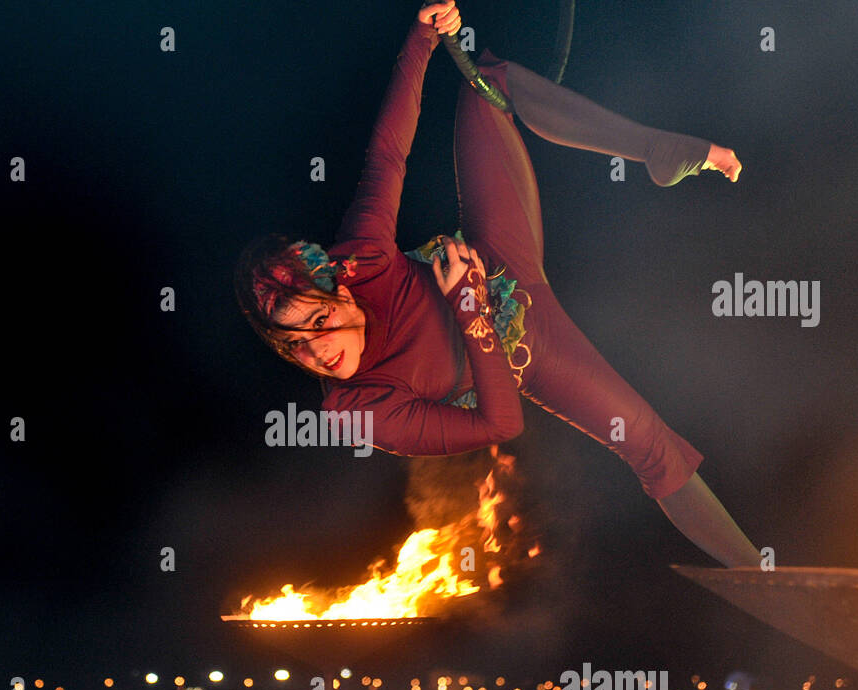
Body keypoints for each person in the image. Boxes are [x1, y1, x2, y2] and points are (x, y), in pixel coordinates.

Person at [233, 2, 759, 568]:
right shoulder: (357, 408)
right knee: (648, 442)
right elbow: (500, 423)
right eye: (293, 347)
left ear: (338, 289)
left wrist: (422, 38)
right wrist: (467, 306)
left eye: (315, 325)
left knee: (490, 84)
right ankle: (760, 575)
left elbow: (387, 151)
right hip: (530, 350)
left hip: (500, 254)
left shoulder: (359, 258)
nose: (316, 353)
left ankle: (654, 148)